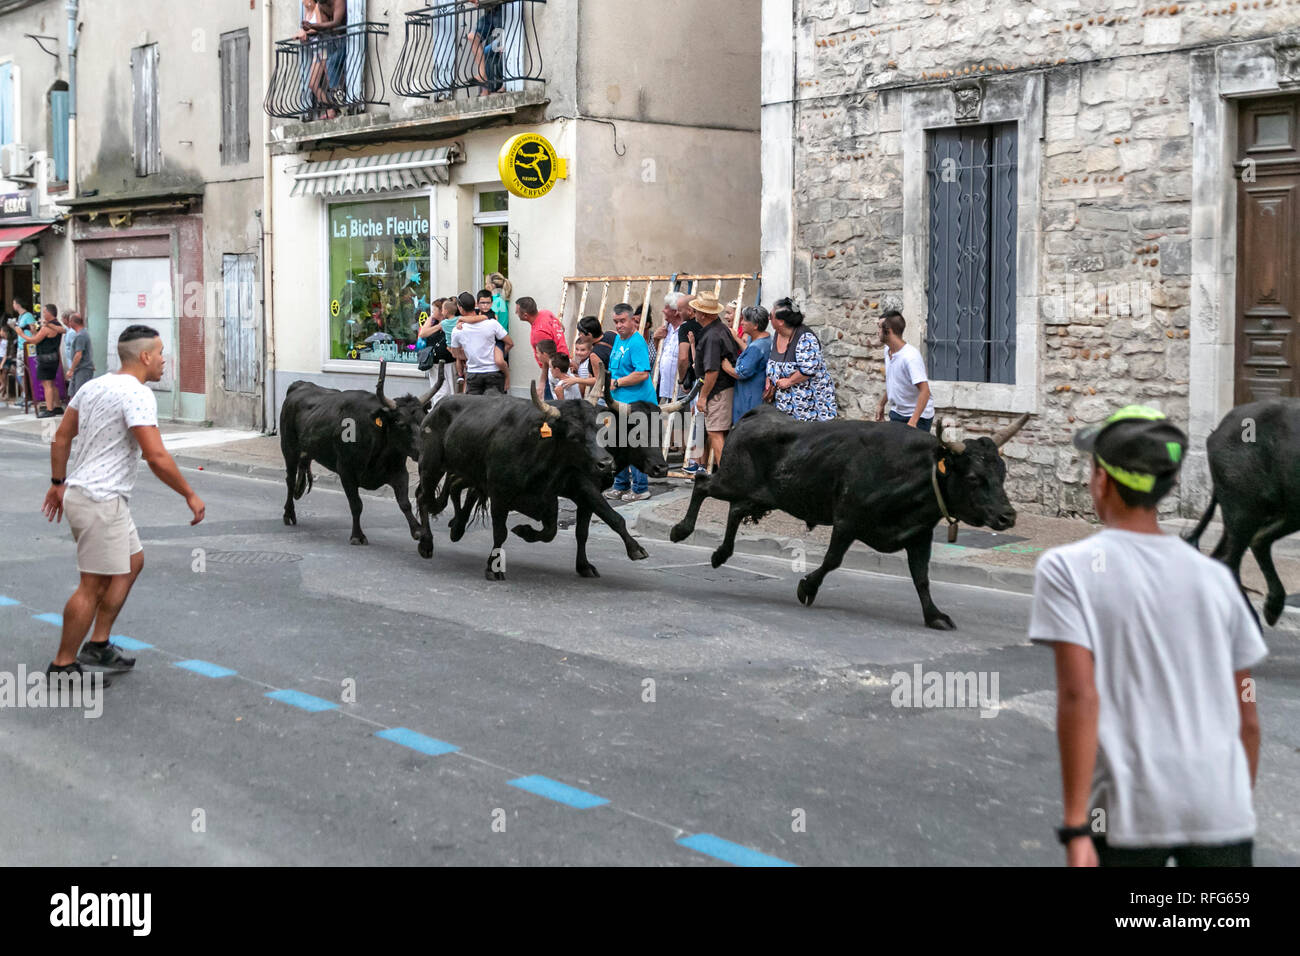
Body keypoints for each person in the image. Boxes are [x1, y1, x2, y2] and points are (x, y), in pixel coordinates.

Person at [1030, 406, 1266, 867]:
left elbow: (1079, 697)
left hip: (1129, 811)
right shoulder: (1217, 579)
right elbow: (1249, 719)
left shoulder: (1067, 570)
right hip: (1223, 811)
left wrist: (1077, 827)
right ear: (1168, 486)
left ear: (1101, 480)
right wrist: (1233, 803)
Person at [42, 324, 206, 686]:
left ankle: (97, 643)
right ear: (145, 356)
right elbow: (156, 456)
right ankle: (63, 666)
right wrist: (189, 494)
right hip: (100, 500)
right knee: (93, 586)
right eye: (161, 353)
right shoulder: (137, 394)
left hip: (93, 497)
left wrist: (58, 483)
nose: (165, 360)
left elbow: (62, 437)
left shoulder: (93, 386)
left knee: (133, 561)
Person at [604, 304, 659, 502]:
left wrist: (617, 382)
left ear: (632, 321)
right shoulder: (619, 339)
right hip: (619, 402)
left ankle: (641, 488)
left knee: (635, 445)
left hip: (637, 404)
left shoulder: (637, 342)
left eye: (622, 321)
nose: (618, 326)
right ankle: (620, 485)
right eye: (616, 322)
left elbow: (643, 373)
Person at [688, 291, 738, 471]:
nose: (693, 313)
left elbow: (712, 371)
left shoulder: (712, 335)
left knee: (715, 432)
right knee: (717, 432)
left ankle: (727, 477)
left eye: (695, 310)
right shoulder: (718, 329)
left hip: (718, 390)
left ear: (702, 314)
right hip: (721, 389)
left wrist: (703, 397)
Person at [765, 297, 837, 422]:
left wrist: (789, 381)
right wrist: (769, 378)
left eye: (770, 316)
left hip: (808, 408)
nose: (768, 319)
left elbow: (809, 369)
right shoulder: (778, 334)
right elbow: (774, 362)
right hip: (785, 408)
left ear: (780, 321)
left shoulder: (805, 338)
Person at [874, 309, 935, 431]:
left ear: (889, 331)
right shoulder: (888, 351)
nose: (877, 332)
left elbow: (925, 392)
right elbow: (894, 382)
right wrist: (881, 404)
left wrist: (912, 423)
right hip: (897, 413)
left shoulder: (910, 357)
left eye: (879, 328)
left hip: (918, 418)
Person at [450, 291, 511, 395]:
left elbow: (455, 354)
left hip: (473, 373)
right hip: (493, 372)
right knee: (496, 408)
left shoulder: (457, 330)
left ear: (460, 308)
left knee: (474, 409)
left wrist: (470, 355)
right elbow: (510, 342)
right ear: (475, 304)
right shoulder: (492, 323)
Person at [12, 307, 66, 418]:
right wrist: (34, 331)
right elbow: (39, 337)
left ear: (49, 313)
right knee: (51, 383)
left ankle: (49, 409)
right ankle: (57, 406)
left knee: (47, 384)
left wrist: (21, 333)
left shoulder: (47, 328)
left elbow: (34, 340)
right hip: (54, 357)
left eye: (45, 312)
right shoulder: (57, 325)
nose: (43, 314)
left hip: (45, 358)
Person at [722, 306, 772, 423]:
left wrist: (726, 367)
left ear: (755, 326)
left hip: (749, 397)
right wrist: (737, 339)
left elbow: (741, 372)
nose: (742, 322)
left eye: (745, 320)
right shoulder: (766, 339)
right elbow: (750, 353)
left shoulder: (757, 347)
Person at [516, 297, 569, 398]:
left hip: (554, 370)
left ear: (525, 315)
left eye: (517, 311)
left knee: (553, 407)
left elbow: (546, 358)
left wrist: (542, 383)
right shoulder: (546, 313)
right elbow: (562, 327)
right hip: (564, 363)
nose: (515, 313)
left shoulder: (539, 332)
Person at [478, 288, 510, 391]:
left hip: (496, 341)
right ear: (477, 303)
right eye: (482, 303)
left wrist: (502, 352)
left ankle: (507, 376)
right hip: (482, 343)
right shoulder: (475, 313)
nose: (485, 305)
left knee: (499, 361)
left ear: (492, 303)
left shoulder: (493, 315)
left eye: (487, 303)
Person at [65, 312, 95, 398]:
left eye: (70, 321)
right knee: (73, 394)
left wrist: (71, 369)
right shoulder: (82, 333)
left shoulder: (80, 336)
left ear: (73, 322)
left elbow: (78, 354)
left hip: (82, 369)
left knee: (79, 395)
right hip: (79, 369)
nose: (69, 324)